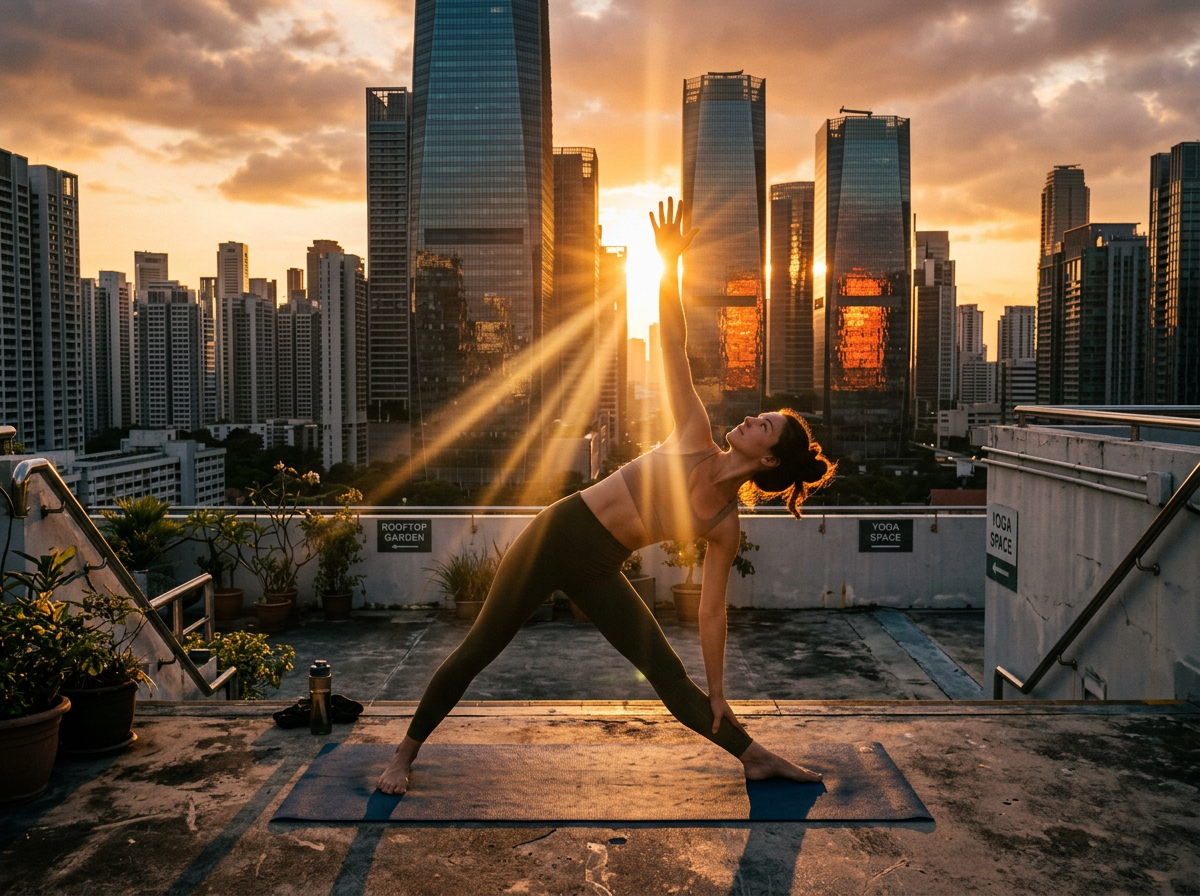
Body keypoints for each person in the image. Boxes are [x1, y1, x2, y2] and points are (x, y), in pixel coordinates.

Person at [377, 197, 834, 796]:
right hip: (553, 536)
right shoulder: (694, 434)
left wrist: (718, 688)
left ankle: (754, 756)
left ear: (769, 458)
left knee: (668, 675)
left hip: (599, 568)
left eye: (763, 426)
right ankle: (402, 756)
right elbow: (672, 347)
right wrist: (668, 265)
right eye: (758, 416)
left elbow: (712, 611)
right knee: (479, 650)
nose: (750, 419)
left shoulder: (725, 523)